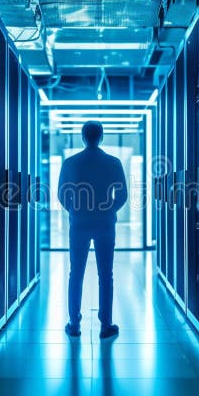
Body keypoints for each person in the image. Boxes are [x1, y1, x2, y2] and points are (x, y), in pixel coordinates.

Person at [57, 121, 128, 339]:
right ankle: (106, 325)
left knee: (75, 273)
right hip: (105, 223)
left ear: (82, 136)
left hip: (79, 223)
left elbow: (61, 194)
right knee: (106, 274)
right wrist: (110, 210)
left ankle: (74, 323)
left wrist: (74, 209)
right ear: (102, 136)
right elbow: (122, 194)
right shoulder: (113, 163)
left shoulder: (70, 163)